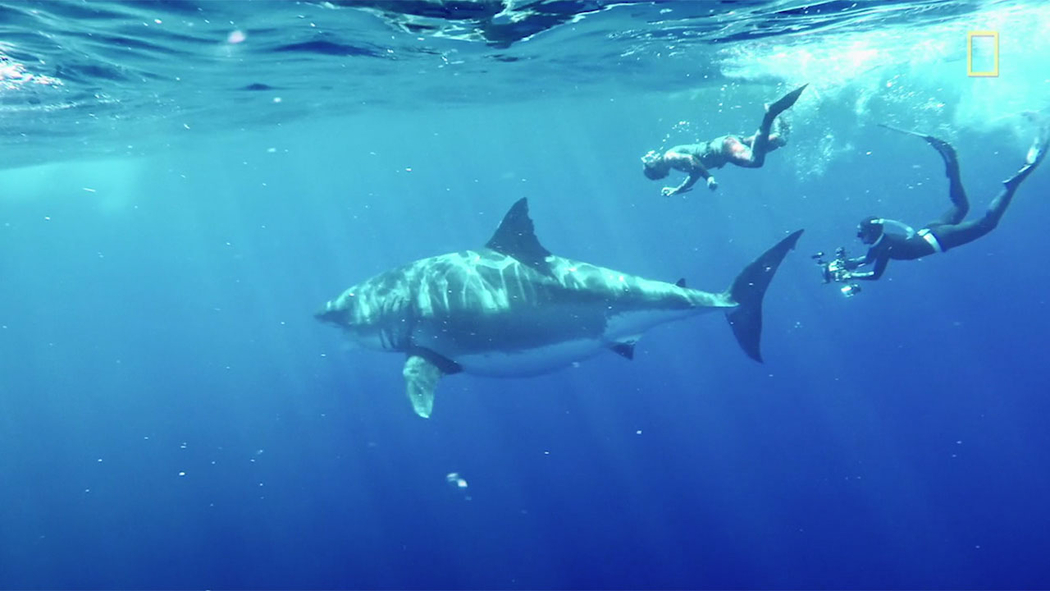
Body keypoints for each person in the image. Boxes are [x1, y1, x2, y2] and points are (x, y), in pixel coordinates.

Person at [839, 123, 1049, 281]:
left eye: (861, 233)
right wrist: (847, 265)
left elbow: (875, 275)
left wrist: (851, 276)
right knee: (961, 206)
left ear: (872, 233)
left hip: (940, 238)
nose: (859, 237)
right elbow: (867, 260)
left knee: (987, 224)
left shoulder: (884, 247)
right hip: (930, 231)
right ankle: (951, 159)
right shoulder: (881, 243)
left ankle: (1010, 186)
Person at [641, 84, 808, 197]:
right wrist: (678, 190)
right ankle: (783, 113)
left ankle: (770, 115)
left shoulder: (670, 157)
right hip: (727, 145)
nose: (661, 178)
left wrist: (709, 177)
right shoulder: (674, 164)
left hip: (725, 148)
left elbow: (691, 160)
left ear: (655, 168)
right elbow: (694, 172)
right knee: (780, 140)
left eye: (656, 176)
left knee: (755, 161)